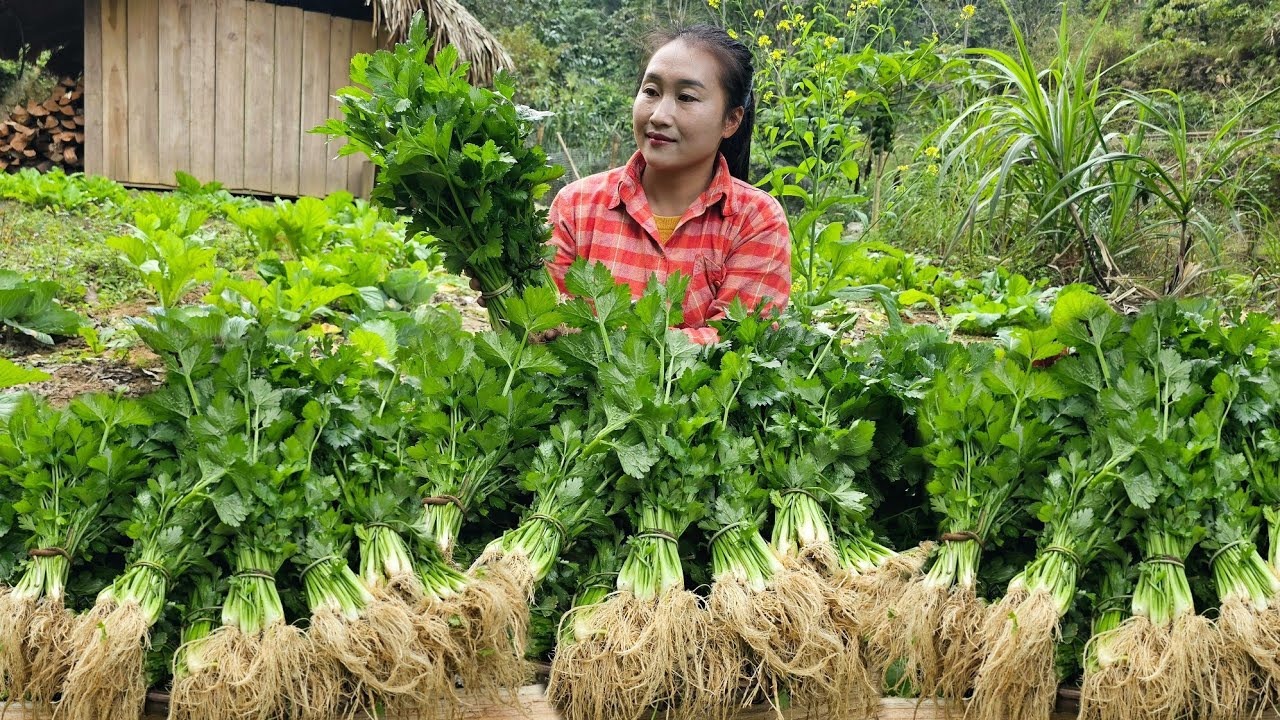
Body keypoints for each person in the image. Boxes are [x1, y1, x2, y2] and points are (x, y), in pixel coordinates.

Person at [537, 24, 792, 344]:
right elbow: (543, 317)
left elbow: (738, 341)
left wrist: (608, 336)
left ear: (731, 120)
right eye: (651, 91)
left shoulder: (755, 220)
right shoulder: (576, 205)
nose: (659, 114)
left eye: (686, 97)